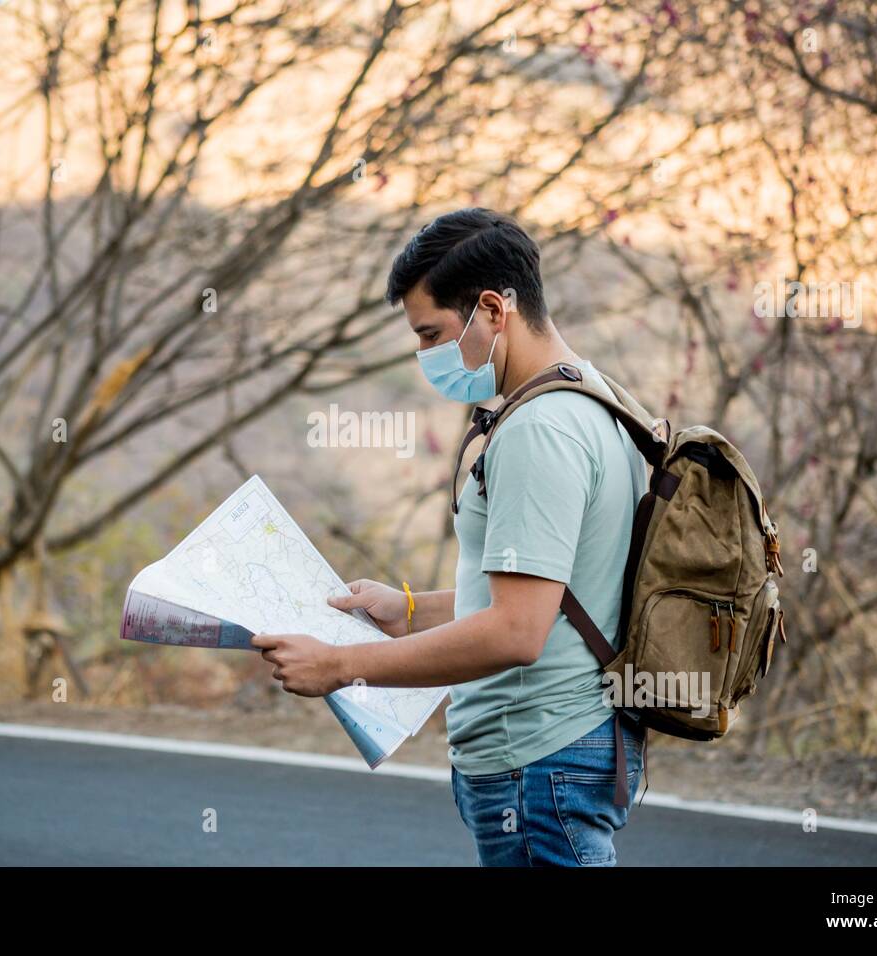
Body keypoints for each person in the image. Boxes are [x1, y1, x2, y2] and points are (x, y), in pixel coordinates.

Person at [251, 207, 648, 866]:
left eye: (432, 333)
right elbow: (546, 595)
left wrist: (339, 666)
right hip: (549, 758)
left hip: (538, 761)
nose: (426, 356)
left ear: (494, 309)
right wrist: (409, 610)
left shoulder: (538, 431)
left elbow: (515, 633)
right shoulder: (591, 397)